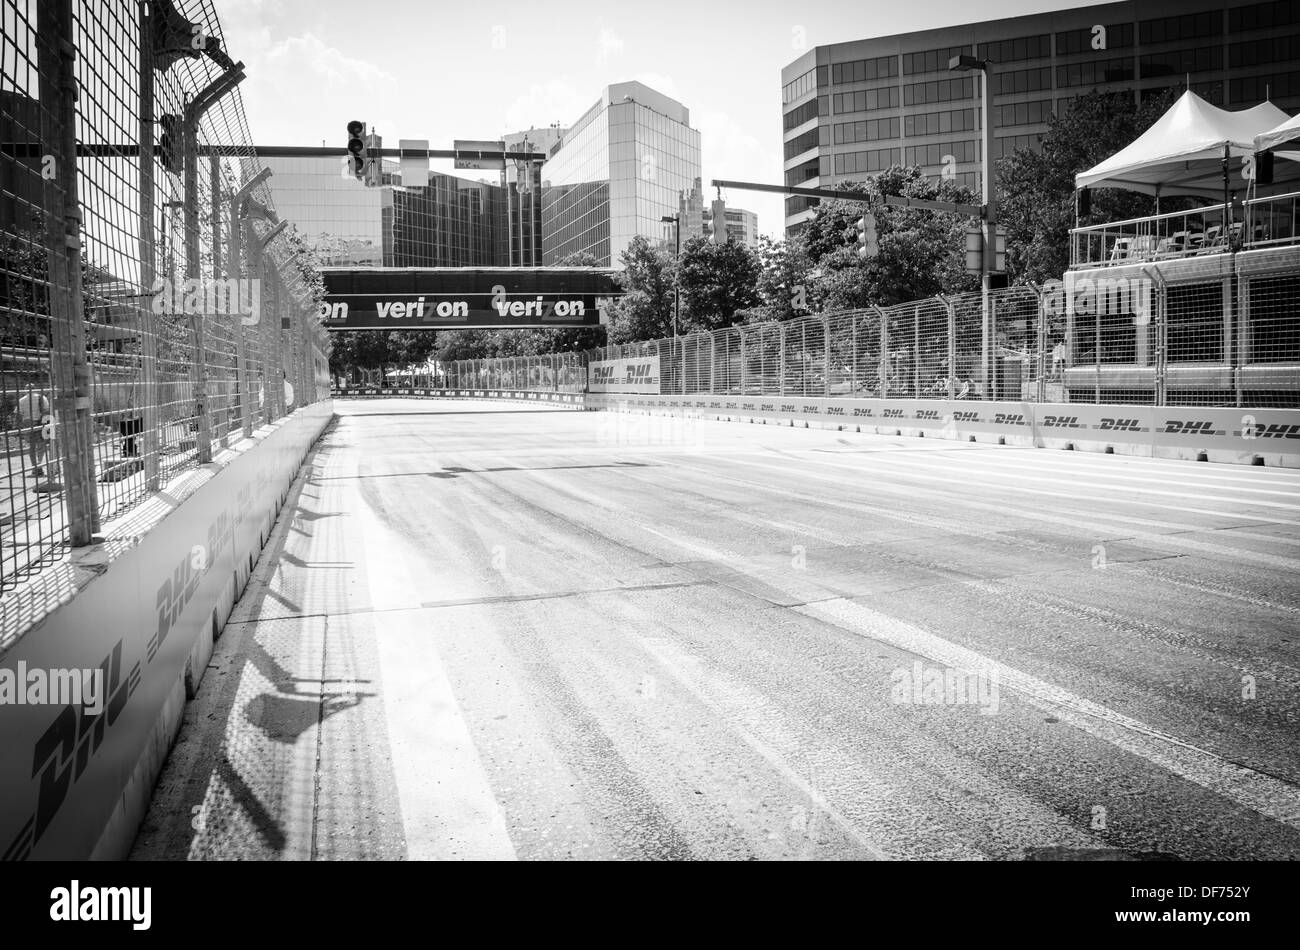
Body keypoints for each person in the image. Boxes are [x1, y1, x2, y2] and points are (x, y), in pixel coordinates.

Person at [16, 384, 49, 477]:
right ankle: (39, 464)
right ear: (35, 389)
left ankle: (34, 468)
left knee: (32, 447)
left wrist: (19, 426)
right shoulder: (42, 398)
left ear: (25, 390)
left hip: (27, 423)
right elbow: (46, 411)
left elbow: (18, 414)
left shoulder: (21, 400)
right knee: (41, 445)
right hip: (40, 422)